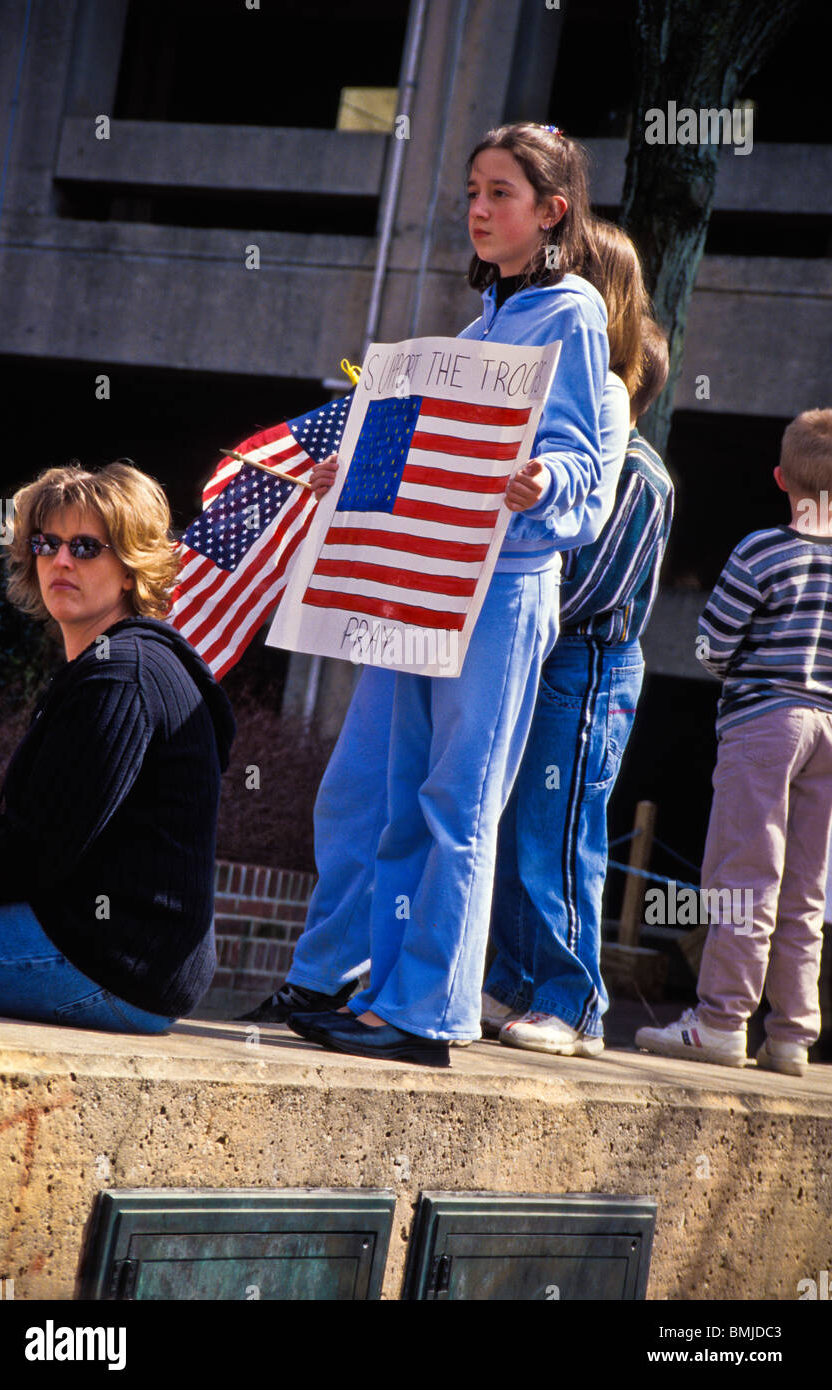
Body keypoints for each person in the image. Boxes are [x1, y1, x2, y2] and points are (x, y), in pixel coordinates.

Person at [238, 215, 636, 1030]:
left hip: (492, 597)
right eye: (473, 195)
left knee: (451, 811)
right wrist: (354, 469)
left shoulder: (589, 369)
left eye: (503, 198)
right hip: (419, 594)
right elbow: (423, 457)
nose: (483, 217)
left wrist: (540, 485)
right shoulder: (473, 334)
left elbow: (580, 502)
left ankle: (417, 1008)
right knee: (362, 796)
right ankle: (339, 980)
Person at [0, 461, 235, 1033]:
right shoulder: (111, 664)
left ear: (130, 570)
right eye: (46, 543)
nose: (60, 560)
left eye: (87, 547)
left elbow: (36, 852)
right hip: (108, 951)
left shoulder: (122, 676)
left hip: (111, 964)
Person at [485, 314, 673, 1054]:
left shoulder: (634, 472)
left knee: (557, 836)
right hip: (547, 658)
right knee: (516, 829)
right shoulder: (584, 459)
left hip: (587, 666)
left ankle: (572, 1002)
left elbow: (591, 588)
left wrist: (509, 602)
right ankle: (512, 984)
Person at [635, 408, 832, 1077]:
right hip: (829, 731)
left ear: (780, 478)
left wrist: (736, 665)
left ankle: (721, 1021)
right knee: (805, 885)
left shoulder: (759, 551)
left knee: (742, 873)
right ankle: (791, 1035)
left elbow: (714, 646)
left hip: (764, 724)